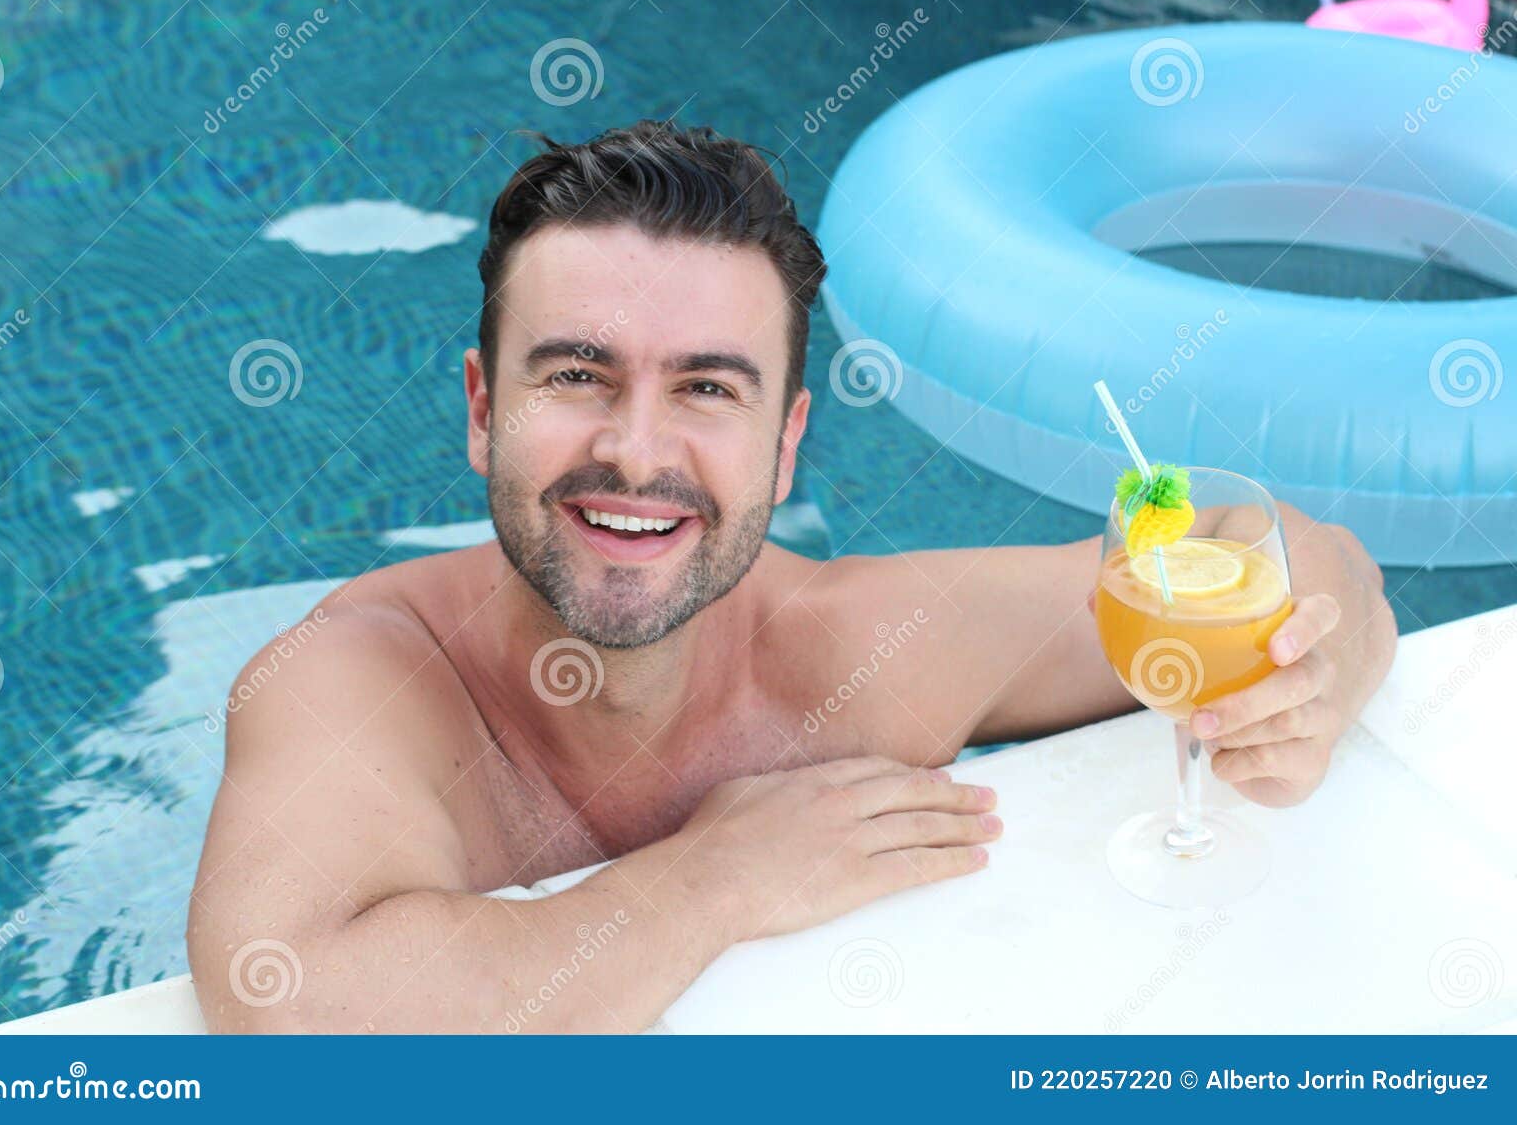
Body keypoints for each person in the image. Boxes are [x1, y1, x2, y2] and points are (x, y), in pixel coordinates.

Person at [187, 121, 1396, 1033]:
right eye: (576, 376)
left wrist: (1311, 682)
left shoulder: (860, 651)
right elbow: (285, 1008)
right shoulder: (356, 681)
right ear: (482, 408)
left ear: (786, 439)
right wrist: (710, 881)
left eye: (707, 388)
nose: (637, 450)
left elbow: (1294, 546)